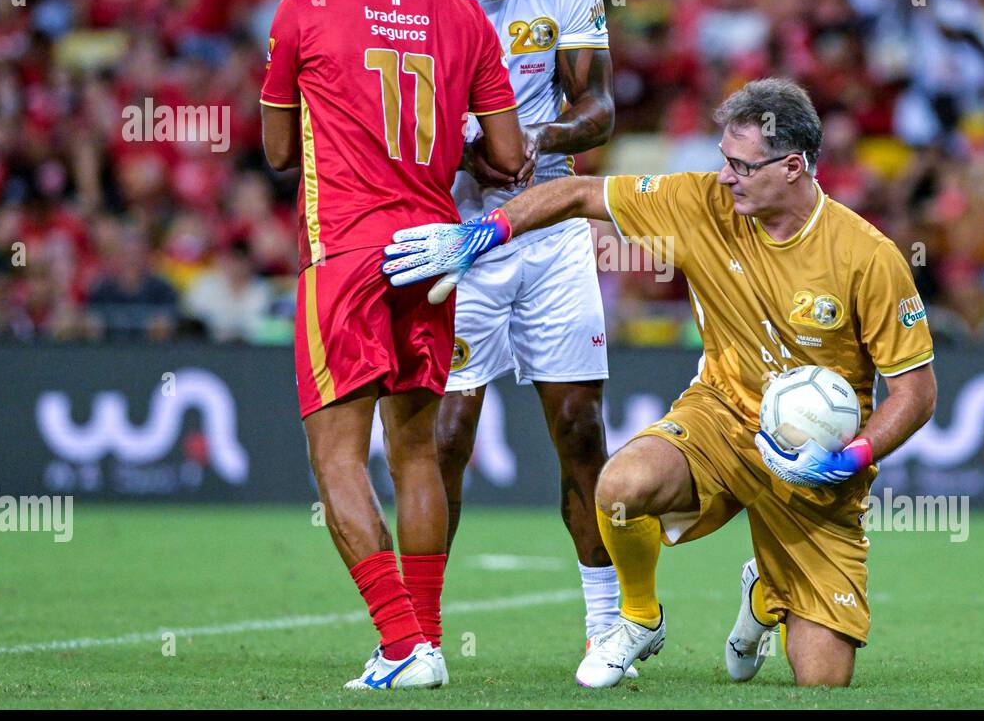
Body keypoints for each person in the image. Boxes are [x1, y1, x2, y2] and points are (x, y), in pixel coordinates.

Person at [383, 78, 937, 688]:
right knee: (620, 486)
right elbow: (576, 193)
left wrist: (850, 457)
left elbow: (916, 393)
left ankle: (764, 593)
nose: (725, 176)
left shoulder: (868, 256)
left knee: (823, 683)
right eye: (724, 159)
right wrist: (485, 232)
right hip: (721, 422)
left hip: (816, 460)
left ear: (792, 167)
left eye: (741, 165)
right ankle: (640, 617)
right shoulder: (700, 202)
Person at [260, 0, 523, 690]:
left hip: (346, 253)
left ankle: (403, 644)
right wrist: (454, 152)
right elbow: (511, 157)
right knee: (416, 454)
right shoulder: (462, 15)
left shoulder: (303, 7)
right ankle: (429, 642)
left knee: (338, 460)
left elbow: (277, 152)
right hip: (435, 255)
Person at [411, 0, 624, 659]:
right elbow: (397, 117)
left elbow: (599, 104)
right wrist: (464, 149)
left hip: (551, 224)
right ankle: (420, 637)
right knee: (447, 435)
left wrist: (544, 136)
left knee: (579, 427)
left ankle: (608, 625)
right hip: (455, 232)